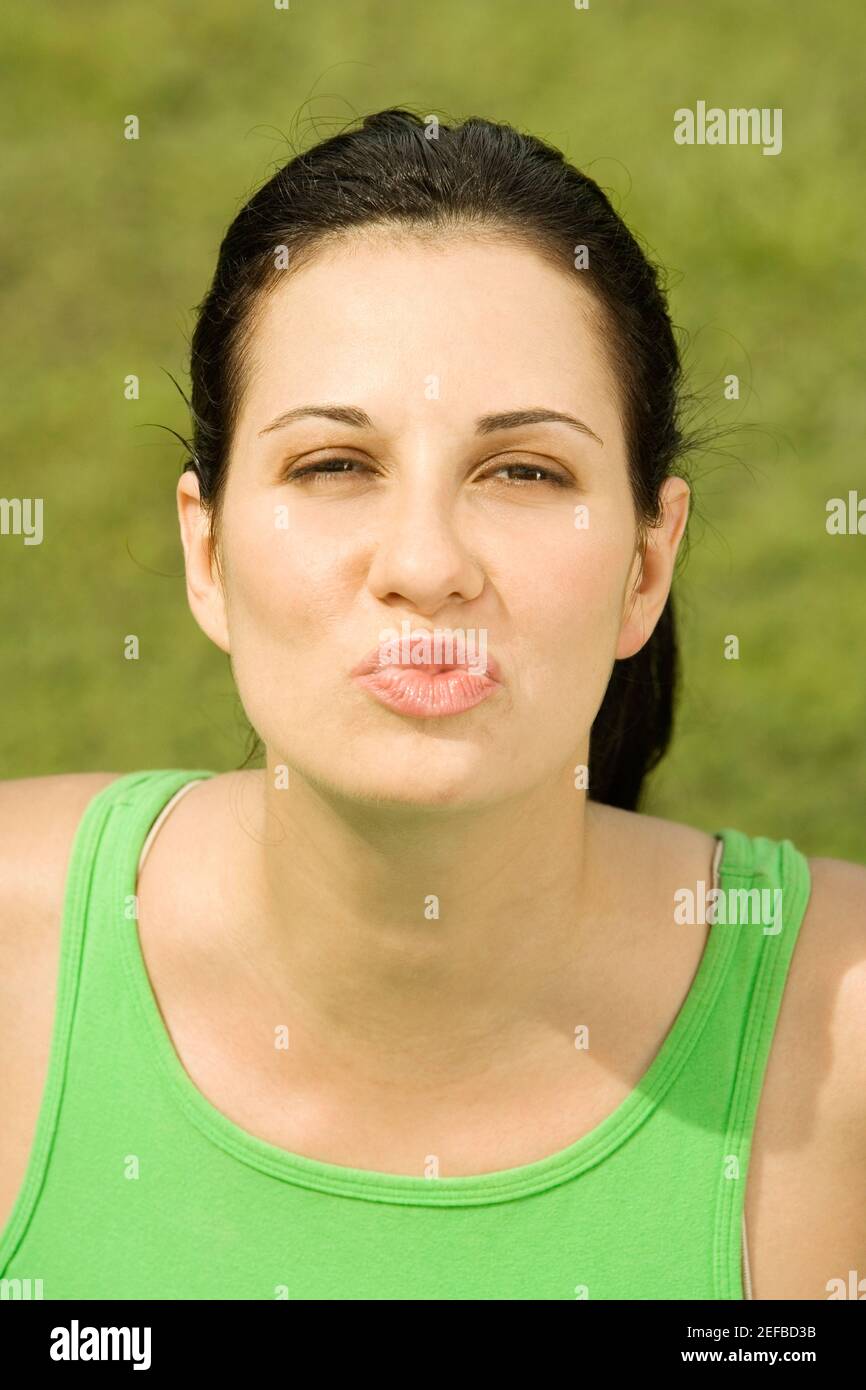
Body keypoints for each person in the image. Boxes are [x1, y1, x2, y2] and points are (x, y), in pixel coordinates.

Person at [1, 108, 864, 1302]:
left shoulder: (846, 1039)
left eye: (522, 471)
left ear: (644, 567)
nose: (425, 561)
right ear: (204, 555)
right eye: (333, 466)